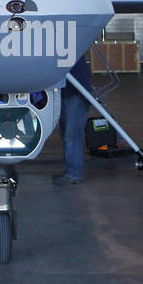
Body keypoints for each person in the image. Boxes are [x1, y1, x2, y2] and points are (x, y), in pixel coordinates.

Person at [53, 54, 92, 186]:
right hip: (65, 92)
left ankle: (73, 174)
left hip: (76, 93)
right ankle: (70, 171)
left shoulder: (69, 45)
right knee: (66, 134)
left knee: (72, 135)